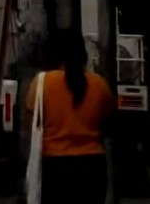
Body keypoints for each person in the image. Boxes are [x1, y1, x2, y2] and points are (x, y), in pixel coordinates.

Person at [27, 30, 114, 204]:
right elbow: (107, 124)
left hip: (54, 167)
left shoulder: (42, 83)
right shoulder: (99, 84)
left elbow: (32, 123)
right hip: (92, 166)